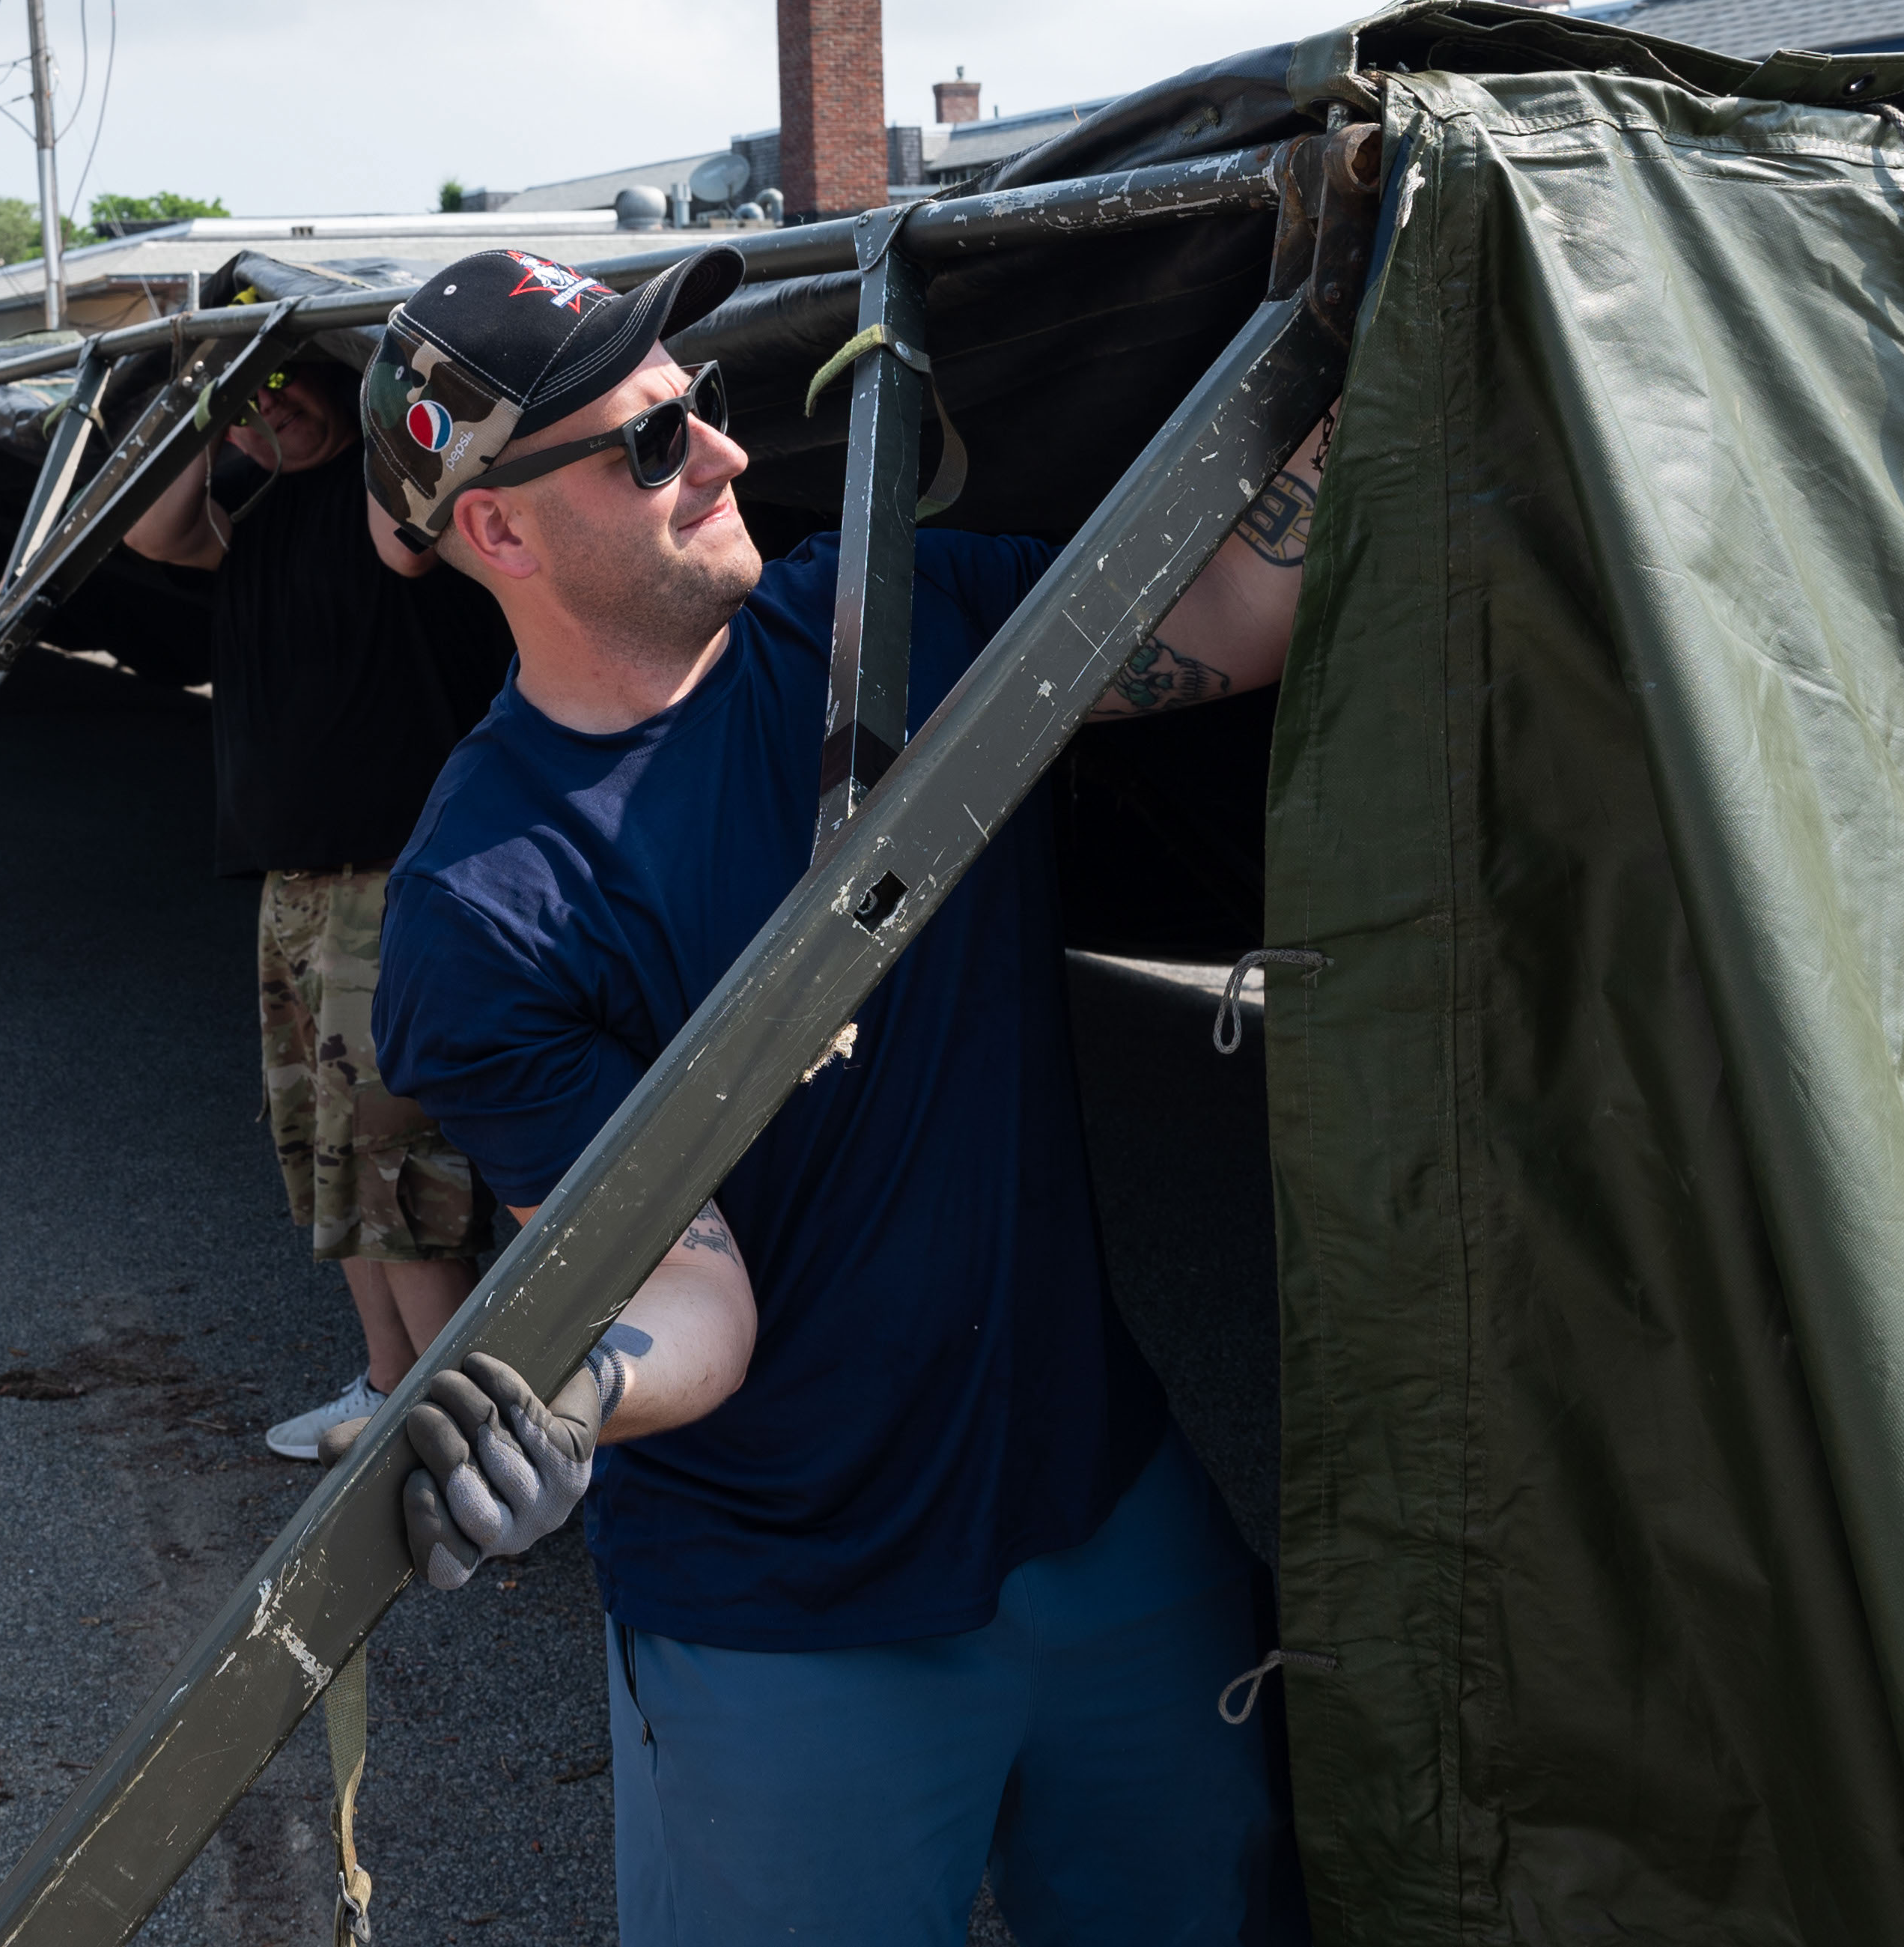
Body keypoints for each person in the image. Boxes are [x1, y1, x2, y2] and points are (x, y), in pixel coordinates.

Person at [343, 246, 1333, 1944]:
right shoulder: (487, 903)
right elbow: (686, 1289)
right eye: (649, 445)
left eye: (702, 406)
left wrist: (1347, 312)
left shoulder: (886, 618)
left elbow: (1236, 617)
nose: (724, 453)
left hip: (1101, 1521)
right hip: (791, 1616)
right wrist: (557, 1402)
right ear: (498, 528)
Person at [121, 349, 514, 1460]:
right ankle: (392, 1387)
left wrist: (306, 395)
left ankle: (468, 1439)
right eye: (252, 394)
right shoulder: (252, 508)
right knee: (325, 1159)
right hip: (294, 887)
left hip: (390, 876)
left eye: (289, 384)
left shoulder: (389, 498)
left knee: (399, 1171)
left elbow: (402, 528)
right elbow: (151, 531)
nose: (268, 408)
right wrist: (210, 406)